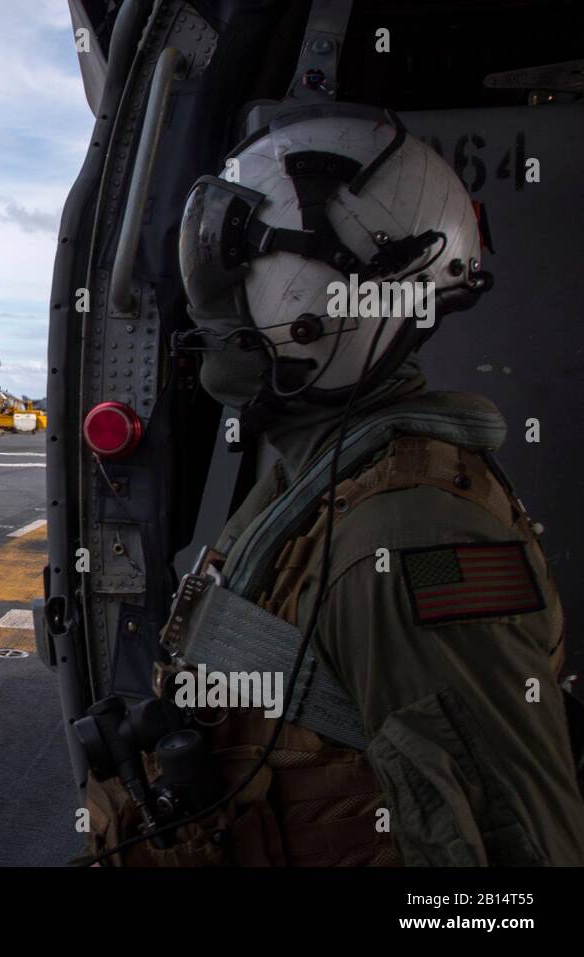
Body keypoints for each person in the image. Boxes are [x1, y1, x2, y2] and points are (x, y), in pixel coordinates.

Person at [86, 103, 584, 866]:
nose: (206, 317)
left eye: (232, 285)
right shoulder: (317, 473)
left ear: (323, 298)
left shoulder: (411, 538)